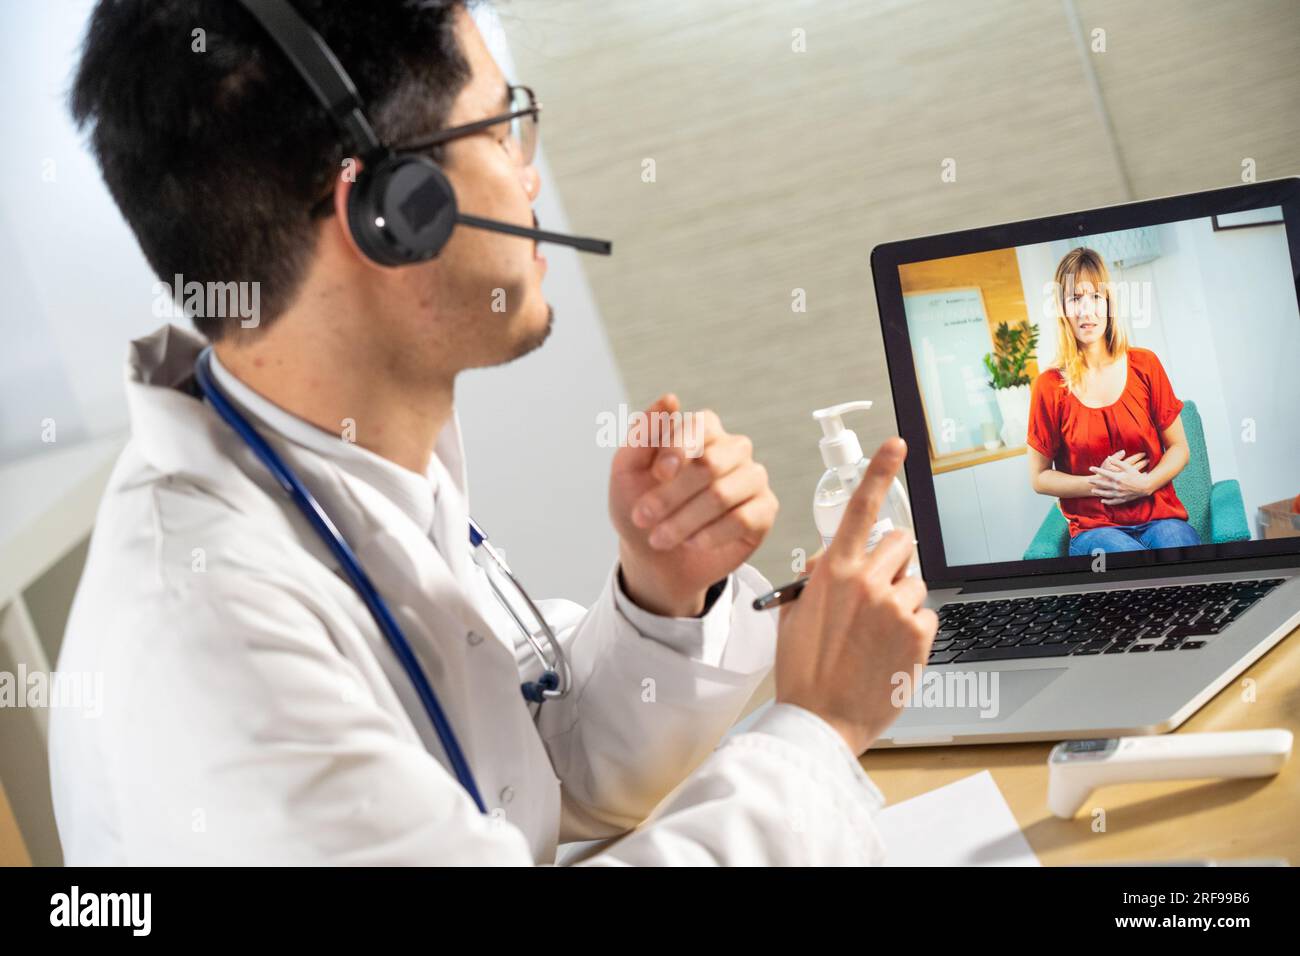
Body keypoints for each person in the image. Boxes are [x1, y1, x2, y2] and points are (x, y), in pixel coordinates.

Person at [49, 0, 936, 865]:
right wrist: (820, 729)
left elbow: (518, 782)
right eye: (500, 126)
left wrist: (664, 597)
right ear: (393, 206)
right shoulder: (218, 648)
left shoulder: (337, 462)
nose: (529, 175)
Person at [1026, 247, 1201, 557]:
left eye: (1095, 297)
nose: (1086, 310)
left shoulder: (1145, 364)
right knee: (1128, 566)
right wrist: (1098, 484)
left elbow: (1180, 449)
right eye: (1075, 298)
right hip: (1096, 530)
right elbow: (1039, 477)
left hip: (1161, 518)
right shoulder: (1049, 386)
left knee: (1179, 553)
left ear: (1108, 303)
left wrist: (1144, 484)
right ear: (1062, 308)